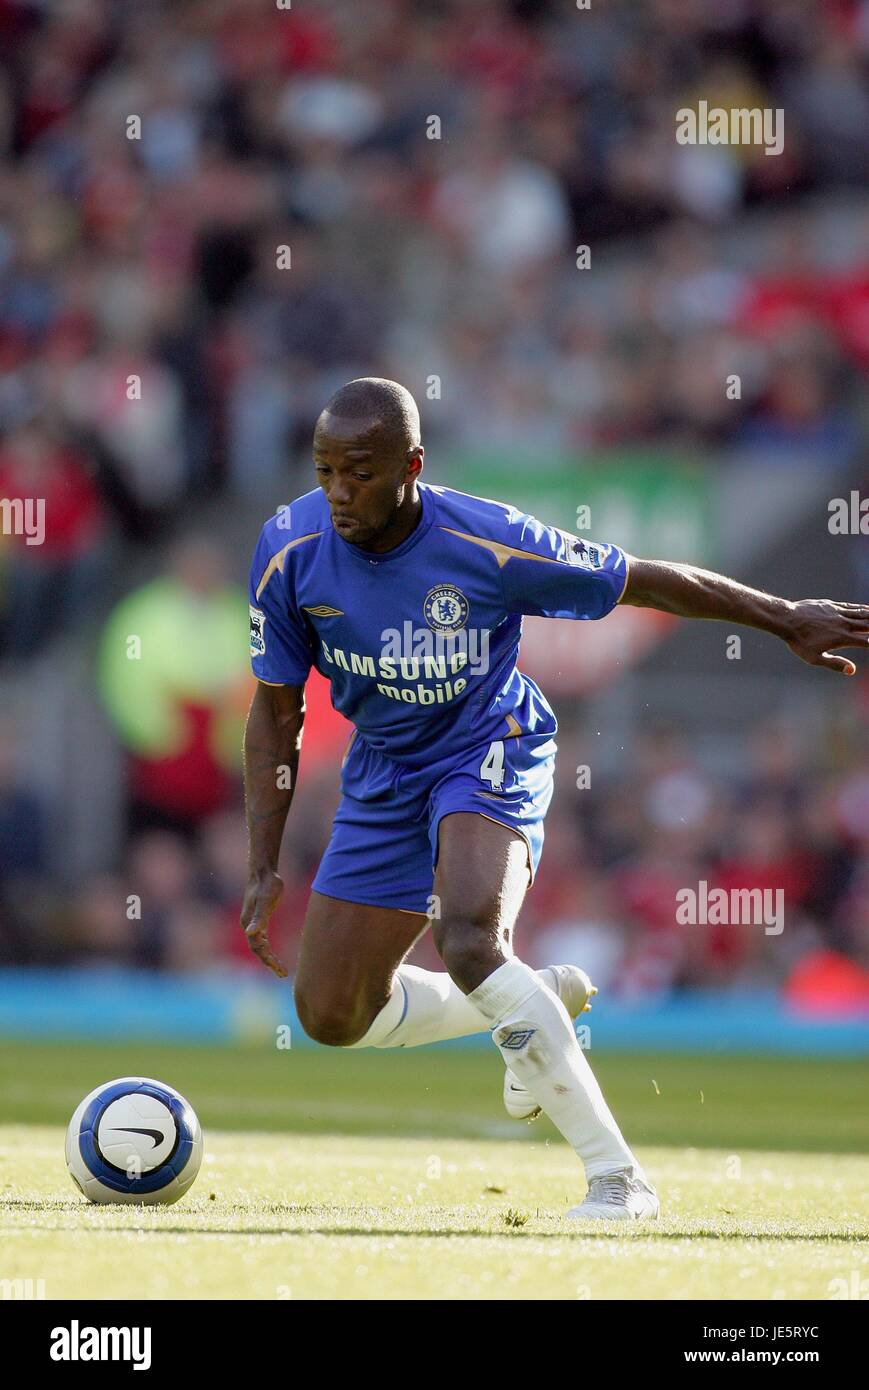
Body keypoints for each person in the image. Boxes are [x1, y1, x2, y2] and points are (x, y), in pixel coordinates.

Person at [240, 377, 868, 1221]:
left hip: (487, 746)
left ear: (411, 467)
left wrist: (783, 615)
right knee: (328, 1012)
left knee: (467, 935)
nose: (339, 492)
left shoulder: (487, 541)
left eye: (359, 471)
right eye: (324, 471)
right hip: (383, 767)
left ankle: (618, 1180)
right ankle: (522, 1001)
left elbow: (642, 580)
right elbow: (275, 713)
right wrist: (261, 862)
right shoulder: (288, 550)